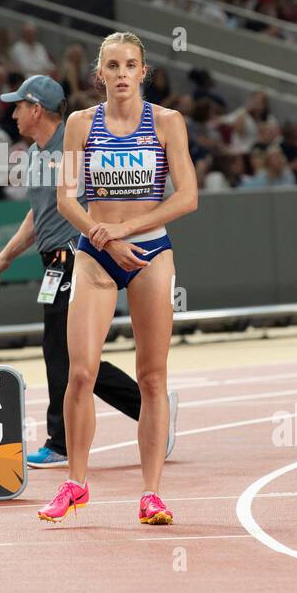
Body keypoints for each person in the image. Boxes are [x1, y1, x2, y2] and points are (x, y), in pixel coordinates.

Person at [38, 33, 197, 526]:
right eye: (113, 65)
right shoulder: (81, 125)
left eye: (131, 65)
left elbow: (187, 196)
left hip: (150, 253)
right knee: (80, 372)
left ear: (143, 72)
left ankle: (151, 494)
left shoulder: (168, 122)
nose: (122, 73)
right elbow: (67, 199)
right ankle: (76, 483)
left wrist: (128, 229)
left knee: (152, 377)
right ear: (99, 74)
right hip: (95, 254)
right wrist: (106, 239)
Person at [0, 75, 174, 470]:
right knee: (68, 354)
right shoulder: (35, 155)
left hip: (78, 258)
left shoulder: (76, 146)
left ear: (36, 109)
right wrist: (5, 256)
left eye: (19, 105)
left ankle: (65, 441)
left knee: (65, 354)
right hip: (53, 262)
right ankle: (148, 410)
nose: (13, 112)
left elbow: (107, 199)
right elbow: (39, 214)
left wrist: (111, 241)